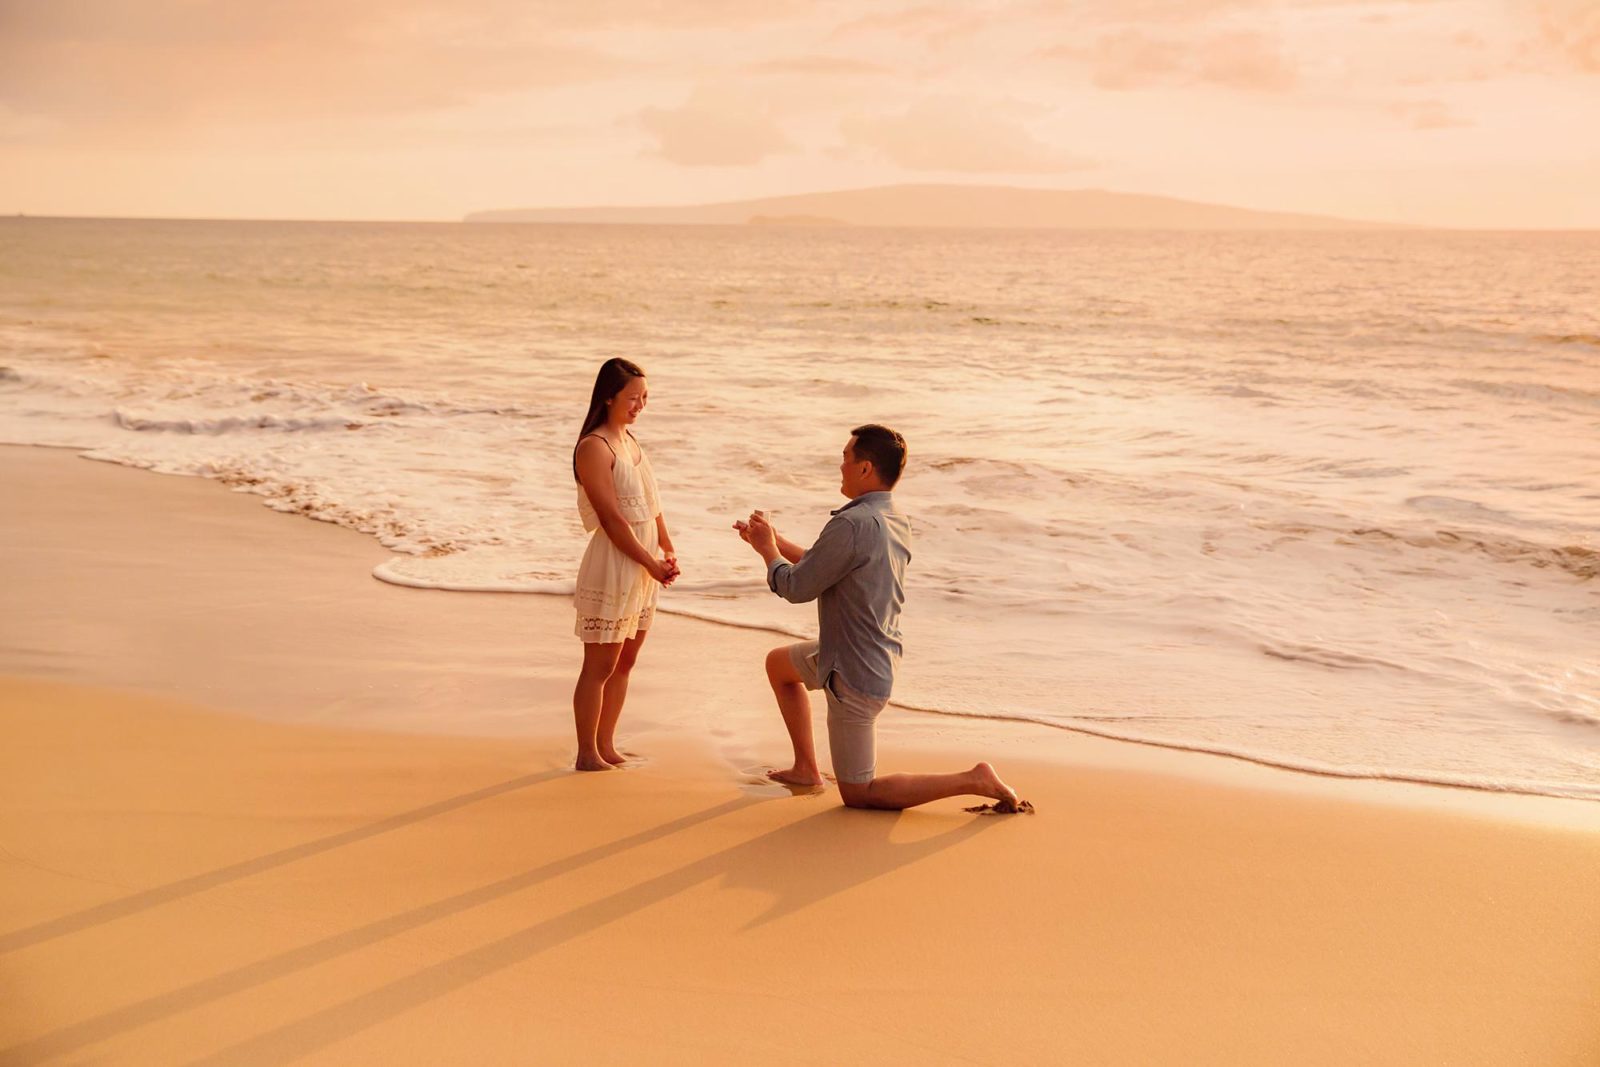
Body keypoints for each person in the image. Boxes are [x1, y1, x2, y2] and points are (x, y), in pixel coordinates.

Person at [735, 424, 1023, 811]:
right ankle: (806, 768)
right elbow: (827, 566)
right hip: (862, 653)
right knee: (778, 665)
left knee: (859, 793)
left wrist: (767, 552)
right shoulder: (893, 517)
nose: (840, 466)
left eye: (845, 458)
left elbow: (796, 588)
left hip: (853, 675)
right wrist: (773, 539)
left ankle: (973, 779)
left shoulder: (850, 524)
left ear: (865, 468)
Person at [571, 358, 678, 771]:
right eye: (633, 398)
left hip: (644, 564)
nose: (640, 405)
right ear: (609, 396)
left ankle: (607, 744)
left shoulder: (631, 442)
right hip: (616, 564)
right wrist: (650, 562)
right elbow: (613, 519)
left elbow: (651, 505)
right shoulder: (593, 447)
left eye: (645, 398)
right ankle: (586, 753)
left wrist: (666, 549)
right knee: (600, 664)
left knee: (626, 662)